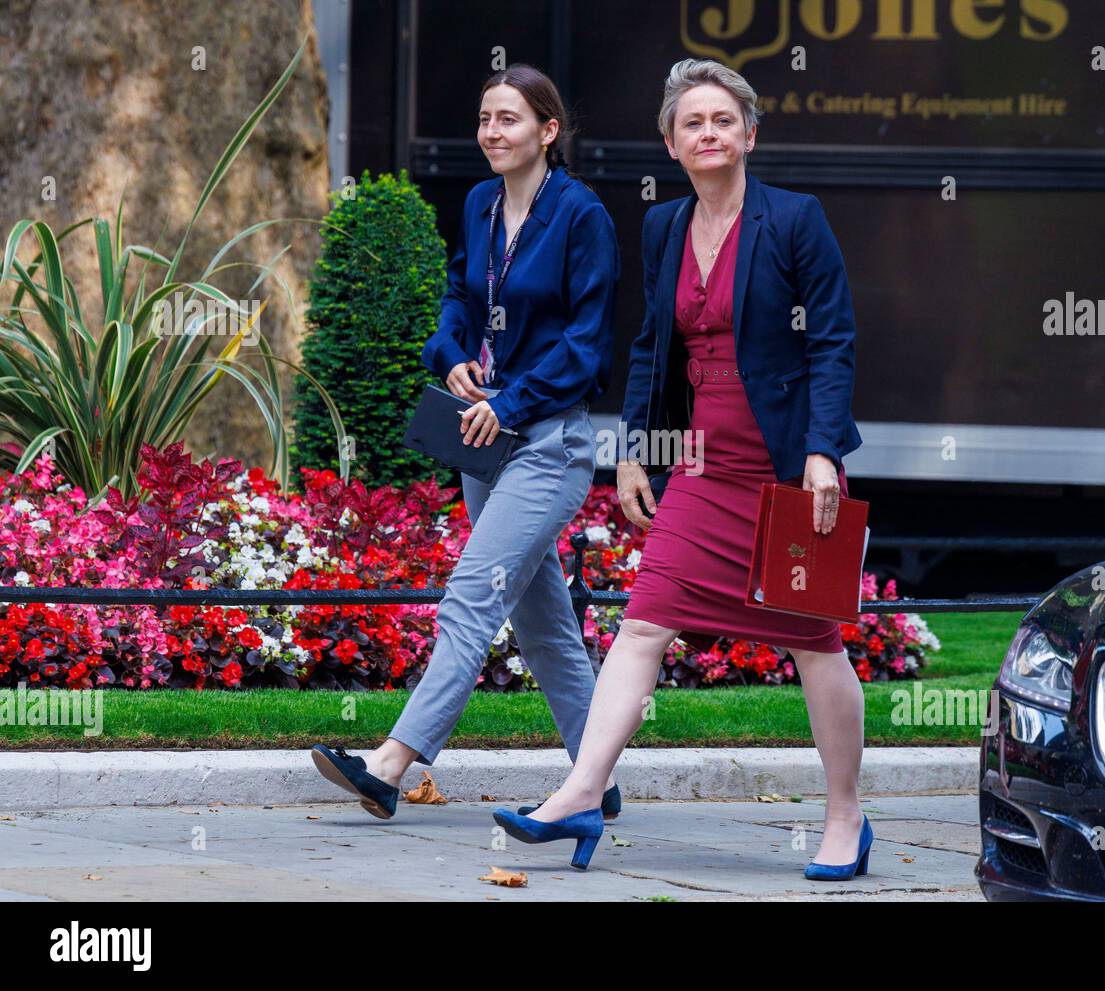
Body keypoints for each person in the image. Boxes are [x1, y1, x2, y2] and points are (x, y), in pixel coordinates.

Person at [492, 58, 869, 878]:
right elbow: (649, 348)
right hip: (699, 466)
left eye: (723, 121)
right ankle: (583, 791)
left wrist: (822, 452)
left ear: (749, 134)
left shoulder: (796, 220)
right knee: (642, 623)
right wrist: (633, 450)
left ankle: (846, 817)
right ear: (672, 142)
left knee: (814, 641)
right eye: (693, 123)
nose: (709, 133)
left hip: (784, 466)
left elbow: (832, 341)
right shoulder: (663, 227)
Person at [310, 64, 622, 822]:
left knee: (470, 600)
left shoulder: (583, 216)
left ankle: (390, 763)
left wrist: (511, 399)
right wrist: (450, 357)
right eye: (485, 118)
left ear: (548, 131)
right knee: (546, 627)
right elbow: (459, 297)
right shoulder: (482, 203)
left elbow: (586, 345)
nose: (491, 132)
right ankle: (596, 779)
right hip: (484, 442)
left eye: (508, 119)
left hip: (548, 443)